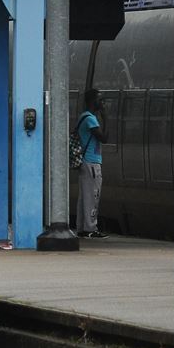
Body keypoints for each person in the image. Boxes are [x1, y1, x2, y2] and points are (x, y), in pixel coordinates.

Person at [76, 88, 110, 238]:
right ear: (92, 101)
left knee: (84, 197)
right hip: (91, 163)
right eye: (99, 99)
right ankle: (91, 228)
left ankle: (82, 228)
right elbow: (104, 138)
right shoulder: (90, 118)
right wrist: (106, 118)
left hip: (86, 162)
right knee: (93, 195)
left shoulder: (84, 116)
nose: (102, 103)